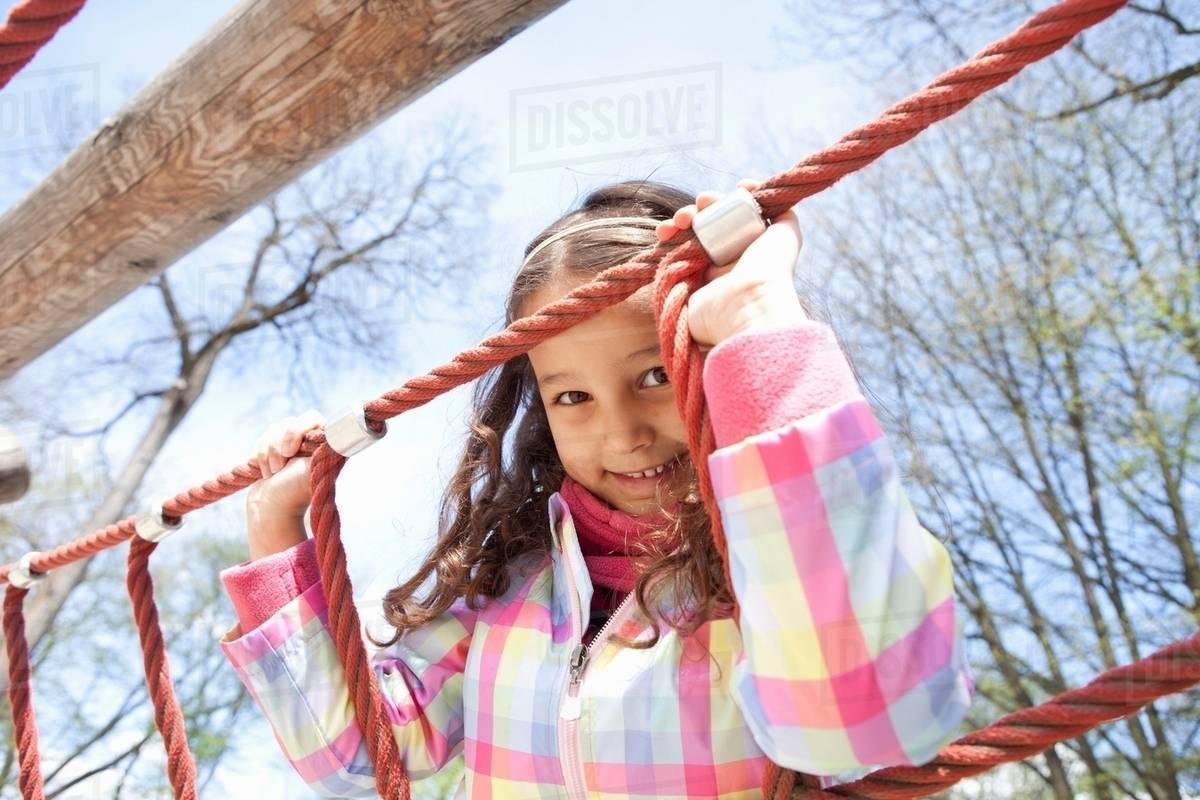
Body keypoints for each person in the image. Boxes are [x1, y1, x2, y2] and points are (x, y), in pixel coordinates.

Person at [216, 178, 975, 799]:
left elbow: (867, 723)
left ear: (718, 361)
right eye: (572, 397)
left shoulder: (771, 575)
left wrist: (756, 322)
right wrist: (274, 530)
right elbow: (358, 758)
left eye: (654, 375)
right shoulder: (505, 588)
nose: (624, 434)